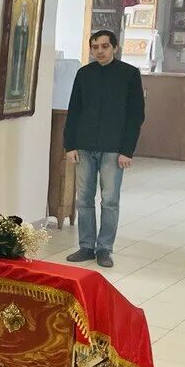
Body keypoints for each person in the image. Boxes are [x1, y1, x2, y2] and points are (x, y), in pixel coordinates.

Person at [64, 29, 146, 268]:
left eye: (105, 46)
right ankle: (86, 246)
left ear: (115, 48)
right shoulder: (84, 74)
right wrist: (70, 145)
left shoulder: (129, 74)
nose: (100, 51)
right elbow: (74, 110)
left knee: (110, 200)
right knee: (84, 200)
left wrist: (127, 150)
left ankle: (105, 248)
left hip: (114, 147)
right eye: (95, 47)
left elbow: (136, 114)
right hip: (84, 145)